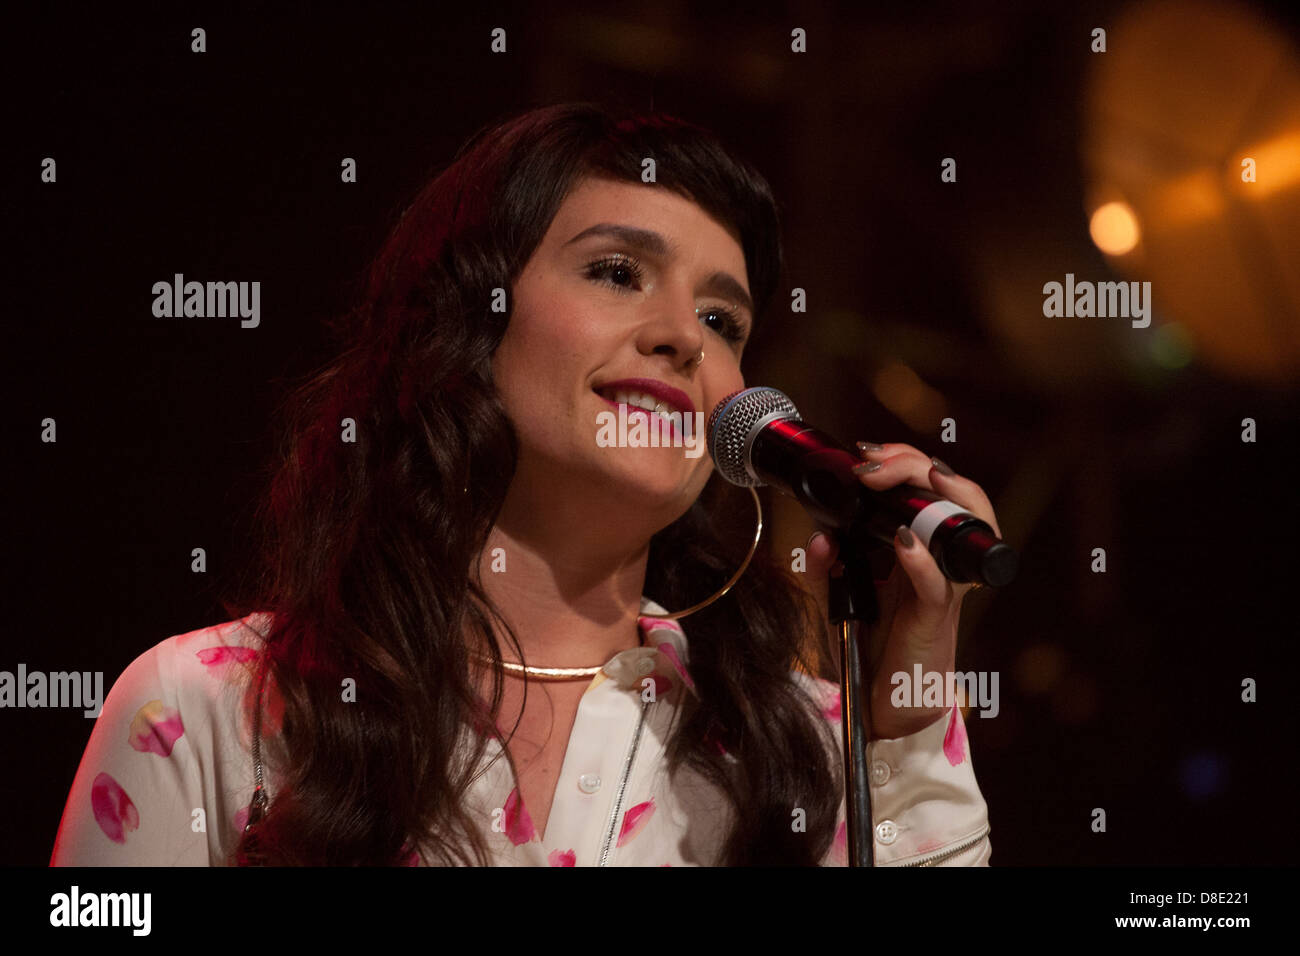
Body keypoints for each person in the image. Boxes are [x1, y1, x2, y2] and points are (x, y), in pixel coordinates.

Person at [50, 102, 996, 866]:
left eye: (724, 320)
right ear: (470, 320)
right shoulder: (220, 708)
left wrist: (907, 702)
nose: (684, 337)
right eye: (619, 273)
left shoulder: (800, 756)